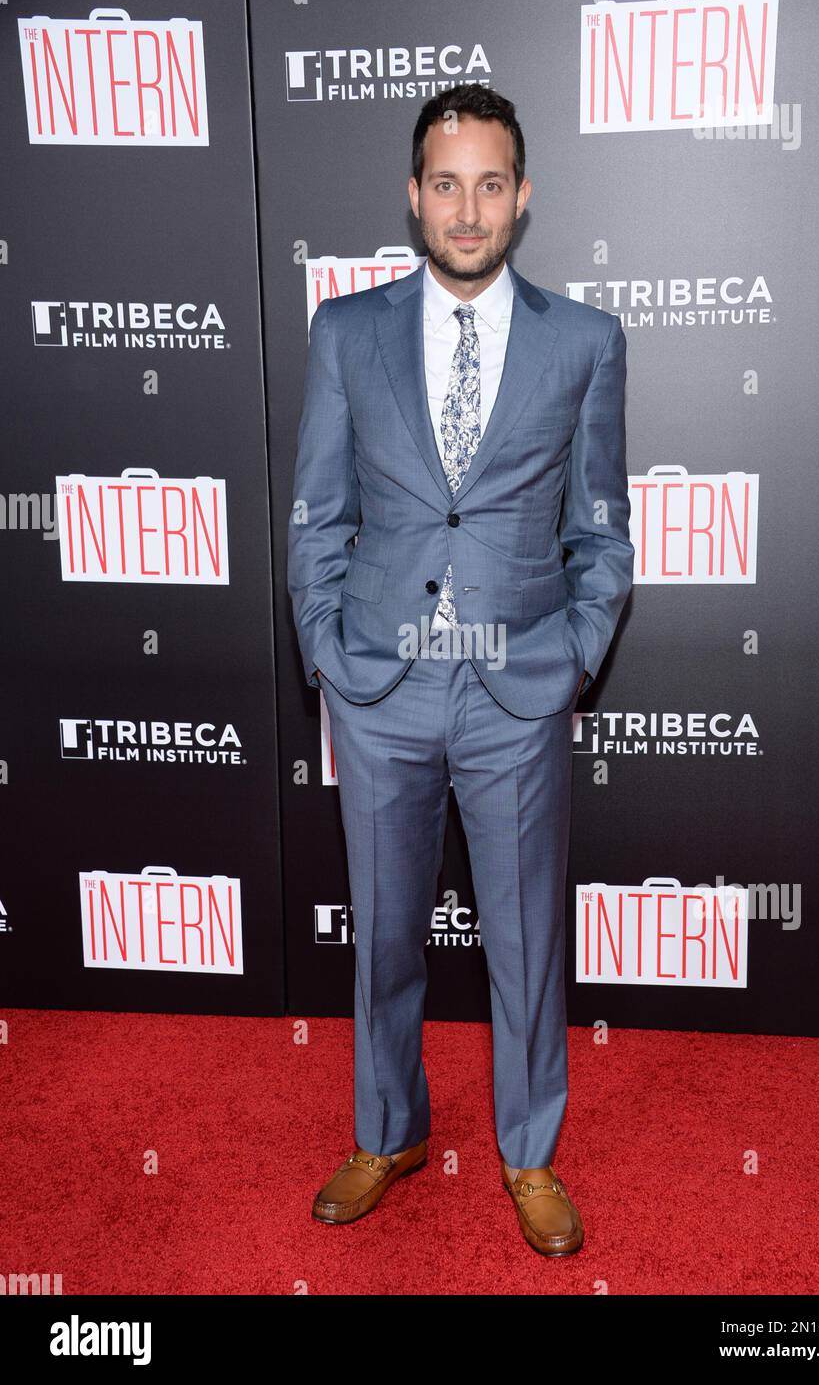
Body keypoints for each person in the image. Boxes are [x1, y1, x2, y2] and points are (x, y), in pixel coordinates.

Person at [287, 84, 633, 1257]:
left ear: (522, 196)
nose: (468, 208)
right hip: (381, 690)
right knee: (385, 931)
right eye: (446, 183)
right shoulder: (345, 331)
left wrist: (574, 654)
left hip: (518, 688)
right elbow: (317, 516)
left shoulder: (585, 342)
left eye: (491, 183)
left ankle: (528, 1153)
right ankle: (389, 1131)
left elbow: (602, 528)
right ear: (413, 195)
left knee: (526, 940)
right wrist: (329, 656)